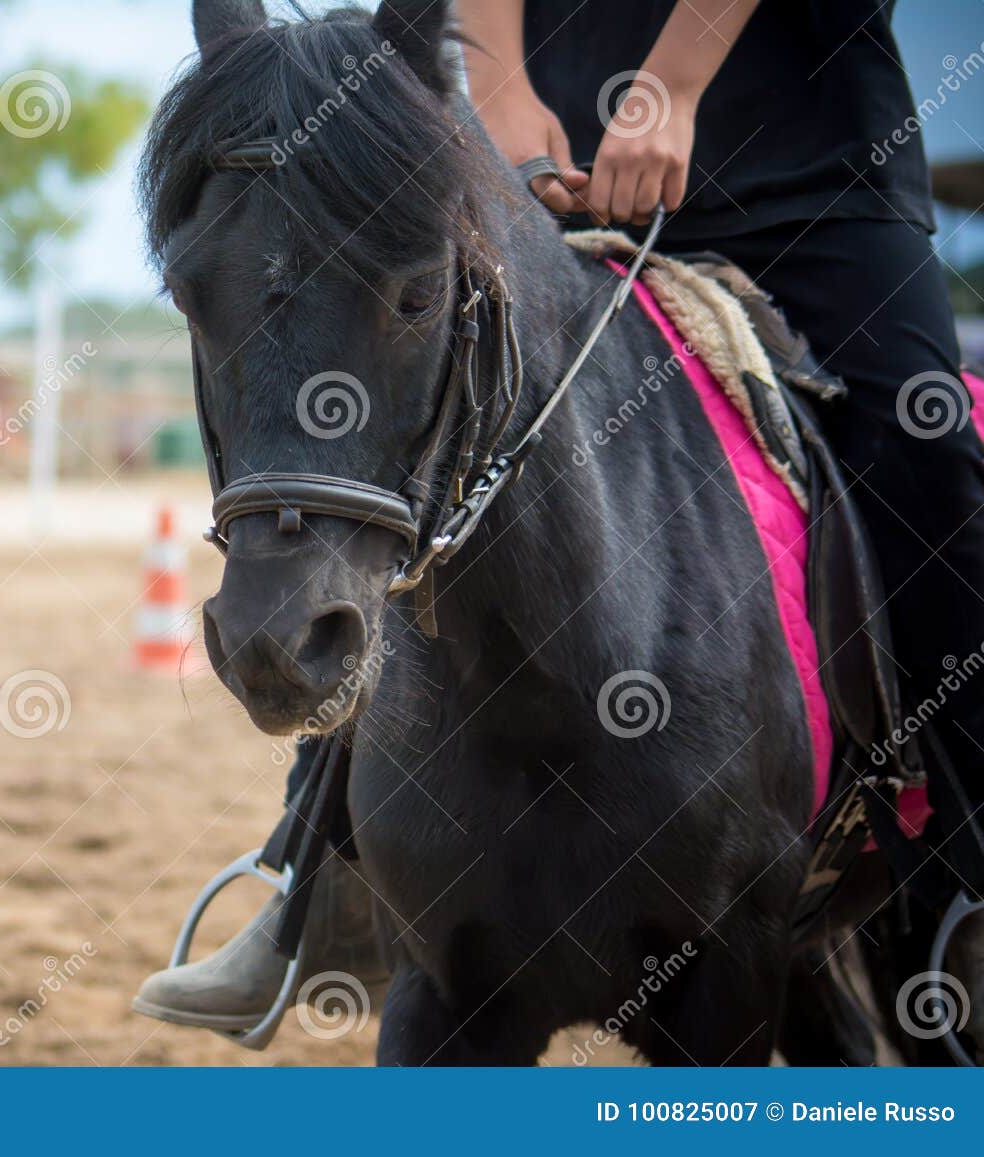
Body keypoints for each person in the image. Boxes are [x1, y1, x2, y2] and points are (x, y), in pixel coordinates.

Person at [134, 0, 984, 1045]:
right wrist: (503, 102)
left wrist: (672, 84)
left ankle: (961, 879)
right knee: (426, 444)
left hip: (811, 177)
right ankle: (313, 868)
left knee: (927, 461)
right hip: (546, 169)